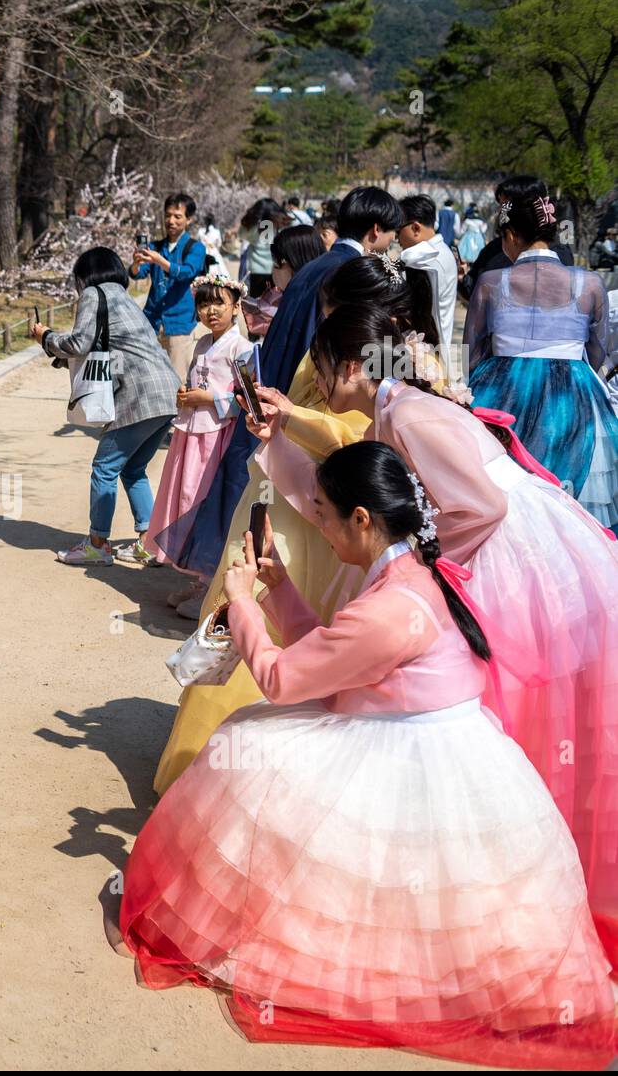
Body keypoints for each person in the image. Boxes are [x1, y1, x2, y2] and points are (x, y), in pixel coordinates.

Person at [117, 441, 618, 1070]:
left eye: (323, 512)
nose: (317, 524)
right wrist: (278, 590)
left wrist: (241, 599)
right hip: (433, 742)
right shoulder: (416, 572)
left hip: (403, 747)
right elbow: (332, 660)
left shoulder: (390, 606)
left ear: (361, 518)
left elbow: (281, 680)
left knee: (249, 744)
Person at [249, 302, 618, 960]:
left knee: (512, 710)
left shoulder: (409, 415)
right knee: (517, 712)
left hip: (508, 555)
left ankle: (509, 891)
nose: (322, 384)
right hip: (510, 543)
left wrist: (420, 560)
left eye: (325, 370)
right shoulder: (397, 409)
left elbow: (483, 505)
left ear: (353, 366)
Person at [169, 186, 402, 582]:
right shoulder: (346, 271)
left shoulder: (317, 266)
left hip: (287, 387)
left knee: (259, 498)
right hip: (317, 399)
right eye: (391, 234)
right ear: (376, 229)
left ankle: (221, 589)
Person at [464, 175, 618, 527]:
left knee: (509, 489)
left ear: (513, 236)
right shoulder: (590, 283)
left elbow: (469, 353)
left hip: (502, 392)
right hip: (573, 396)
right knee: (571, 495)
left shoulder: (491, 283)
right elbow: (597, 354)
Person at [33, 247, 180, 566]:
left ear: (83, 277)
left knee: (104, 467)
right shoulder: (124, 299)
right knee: (133, 468)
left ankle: (98, 543)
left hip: (138, 394)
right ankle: (148, 542)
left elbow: (79, 344)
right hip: (167, 392)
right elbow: (102, 347)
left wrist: (45, 337)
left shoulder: (92, 294)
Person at [144, 271, 252, 588]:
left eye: (219, 303)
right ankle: (195, 581)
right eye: (204, 305)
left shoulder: (242, 348)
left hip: (218, 436)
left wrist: (210, 398)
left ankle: (209, 583)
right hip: (190, 435)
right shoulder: (202, 343)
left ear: (235, 306)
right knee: (185, 498)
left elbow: (247, 399)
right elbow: (195, 381)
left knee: (205, 499)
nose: (211, 311)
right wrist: (186, 394)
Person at [131, 192, 208, 379]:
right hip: (151, 322)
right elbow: (138, 274)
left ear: (188, 220)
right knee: (150, 378)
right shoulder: (155, 247)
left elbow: (187, 272)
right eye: (167, 215)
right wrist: (135, 263)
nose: (171, 221)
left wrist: (160, 261)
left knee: (177, 380)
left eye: (177, 216)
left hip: (179, 324)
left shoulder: (195, 248)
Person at [398, 194, 460, 379]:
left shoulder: (423, 257)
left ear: (415, 227)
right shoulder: (443, 251)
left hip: (426, 352)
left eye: (398, 230)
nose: (396, 238)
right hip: (436, 349)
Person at [238, 198, 289, 300]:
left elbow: (241, 234)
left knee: (256, 305)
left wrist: (250, 219)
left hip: (255, 270)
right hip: (275, 270)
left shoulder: (253, 227)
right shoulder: (278, 226)